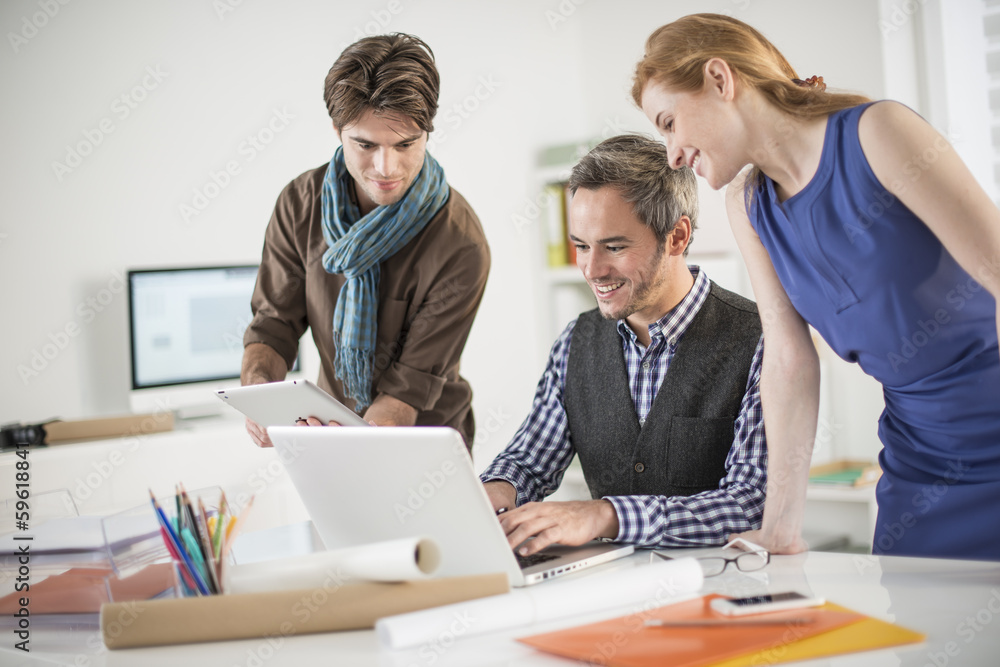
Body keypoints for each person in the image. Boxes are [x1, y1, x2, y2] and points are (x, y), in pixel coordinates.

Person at [633, 13, 1000, 560]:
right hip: (919, 461)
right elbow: (787, 359)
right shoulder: (748, 205)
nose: (672, 154)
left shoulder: (878, 132)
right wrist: (780, 526)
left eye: (668, 122)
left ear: (719, 78)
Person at [480, 134, 767, 556]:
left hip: (724, 593)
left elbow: (750, 504)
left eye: (614, 247)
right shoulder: (575, 343)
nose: (592, 269)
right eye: (581, 246)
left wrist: (604, 516)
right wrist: (494, 492)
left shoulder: (757, 338)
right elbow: (528, 459)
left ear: (677, 236)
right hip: (611, 594)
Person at [241, 33, 490, 448]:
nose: (386, 167)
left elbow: (403, 397)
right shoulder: (299, 205)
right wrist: (261, 396)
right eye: (365, 144)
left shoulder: (461, 244)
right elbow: (272, 327)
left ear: (428, 131)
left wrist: (350, 442)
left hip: (425, 443)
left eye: (405, 144)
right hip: (328, 429)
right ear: (337, 130)